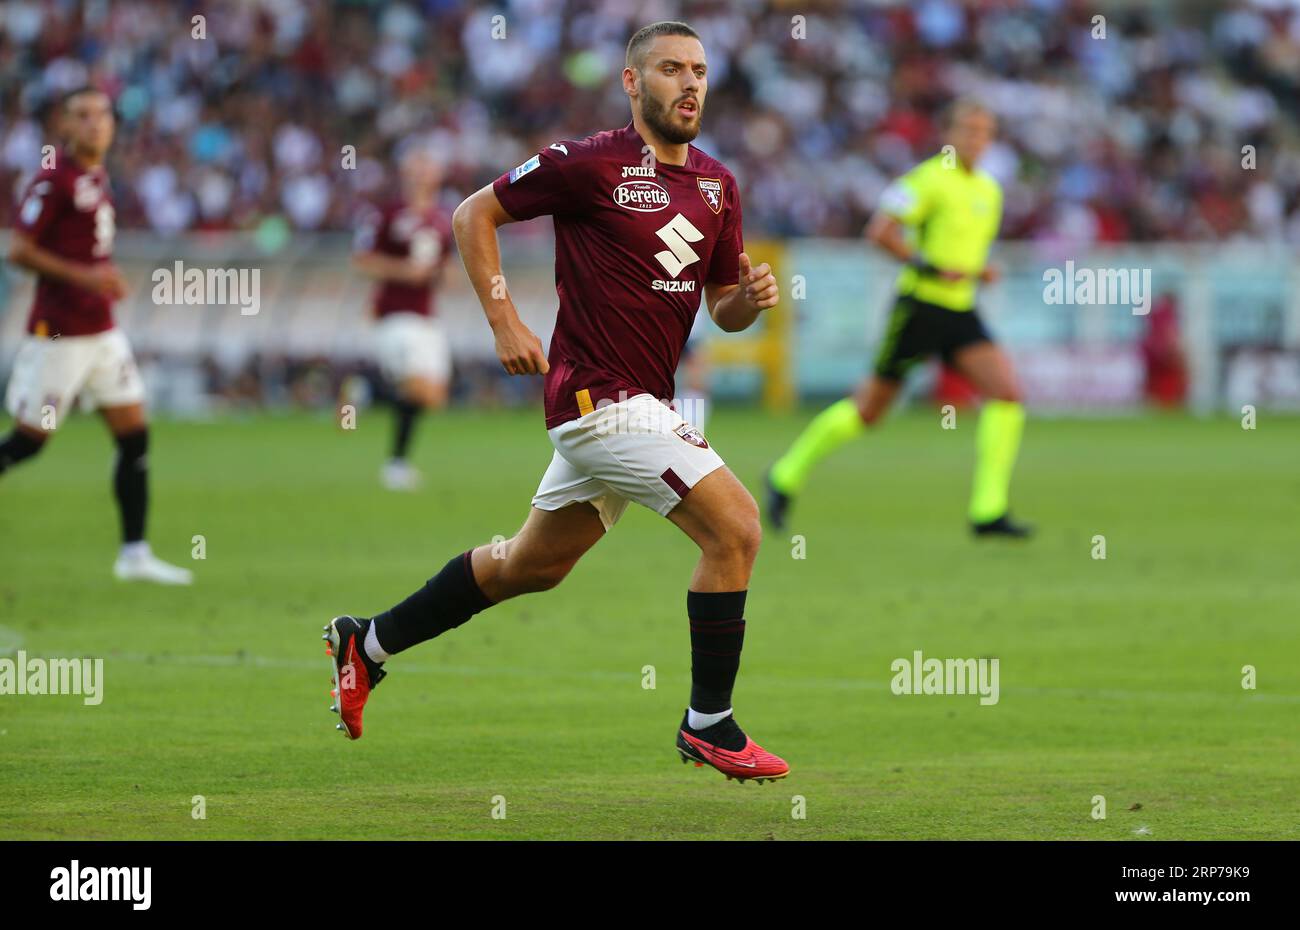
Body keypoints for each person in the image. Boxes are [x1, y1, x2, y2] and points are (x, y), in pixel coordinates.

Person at [324, 21, 788, 783]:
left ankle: (366, 643)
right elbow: (475, 214)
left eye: (700, 69)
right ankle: (710, 722)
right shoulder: (588, 163)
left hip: (638, 405)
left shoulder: (716, 184)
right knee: (736, 529)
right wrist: (505, 317)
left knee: (528, 566)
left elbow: (723, 307)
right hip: (599, 400)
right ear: (634, 83)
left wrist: (750, 299)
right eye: (671, 69)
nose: (691, 83)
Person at [766, 100, 1031, 538]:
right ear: (948, 134)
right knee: (868, 411)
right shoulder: (927, 180)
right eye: (968, 129)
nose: (976, 139)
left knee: (1006, 395)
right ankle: (784, 475)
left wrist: (978, 271)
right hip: (920, 308)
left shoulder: (989, 189)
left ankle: (988, 510)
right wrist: (929, 266)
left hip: (961, 310)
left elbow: (962, 251)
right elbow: (880, 232)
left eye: (985, 131)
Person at [1, 87, 192, 585]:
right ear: (64, 126)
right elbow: (18, 250)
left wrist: (102, 276)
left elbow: (85, 249)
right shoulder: (53, 180)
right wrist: (86, 277)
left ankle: (134, 554)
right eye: (82, 116)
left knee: (135, 435)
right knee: (28, 443)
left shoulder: (97, 176)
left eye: (102, 114)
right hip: (59, 335)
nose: (95, 124)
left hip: (103, 333)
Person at [352, 149, 455, 491]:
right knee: (420, 389)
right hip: (394, 314)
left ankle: (368, 392)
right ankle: (395, 464)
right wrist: (404, 271)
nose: (423, 175)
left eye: (428, 168)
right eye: (417, 168)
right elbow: (363, 260)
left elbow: (447, 269)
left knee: (434, 397)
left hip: (427, 315)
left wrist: (444, 275)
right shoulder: (388, 214)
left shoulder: (442, 219)